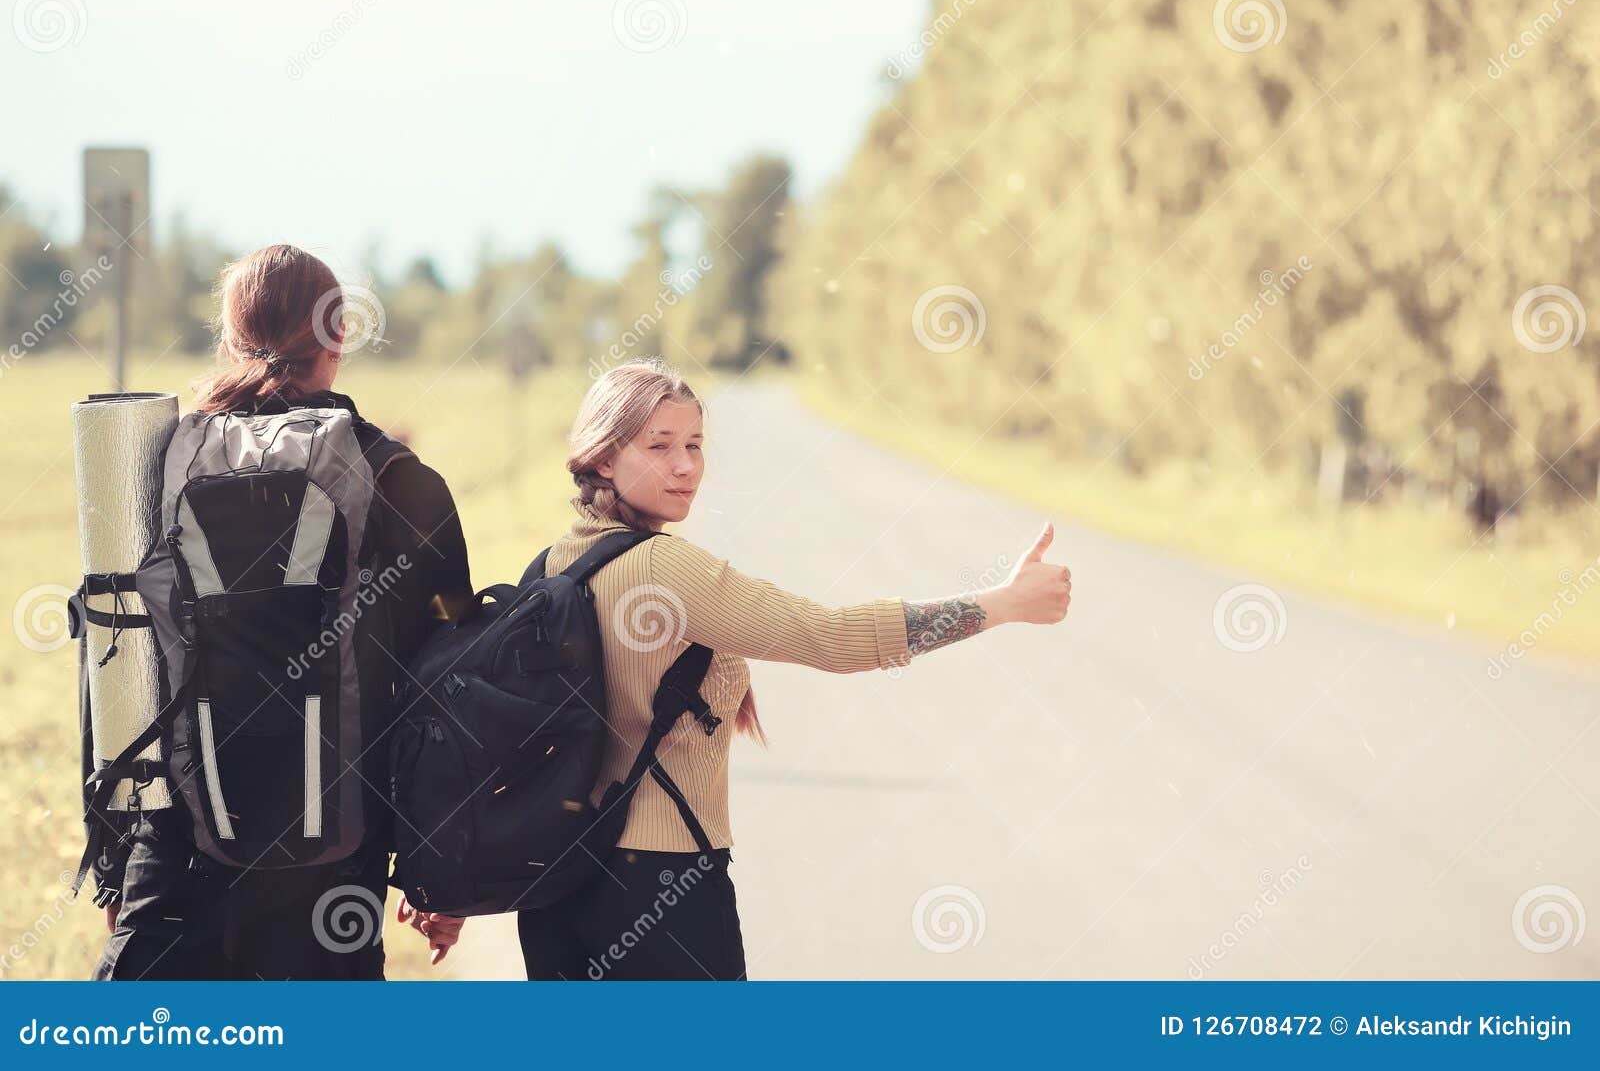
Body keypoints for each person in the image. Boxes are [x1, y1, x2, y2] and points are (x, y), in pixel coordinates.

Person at [514, 356, 1072, 980]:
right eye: (660, 445)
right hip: (661, 890)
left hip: (555, 886)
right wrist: (1001, 604)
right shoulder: (665, 571)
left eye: (695, 444)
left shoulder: (547, 570)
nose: (686, 466)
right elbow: (829, 638)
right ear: (602, 458)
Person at [92, 244, 471, 979]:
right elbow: (448, 677)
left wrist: (118, 855)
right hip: (337, 857)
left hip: (178, 846)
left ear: (230, 340)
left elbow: (115, 641)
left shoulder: (162, 459)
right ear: (337, 343)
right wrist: (439, 873)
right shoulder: (397, 477)